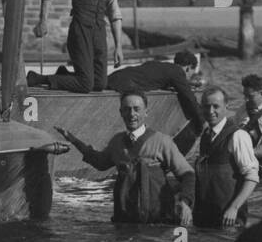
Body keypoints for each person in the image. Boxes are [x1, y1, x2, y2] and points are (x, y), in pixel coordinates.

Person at [55, 90, 195, 224]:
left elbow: (187, 174)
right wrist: (74, 141)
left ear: (146, 112)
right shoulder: (117, 142)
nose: (132, 114)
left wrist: (185, 202)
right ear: (121, 112)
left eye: (136, 109)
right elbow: (100, 162)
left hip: (159, 222)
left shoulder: (162, 141)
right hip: (125, 222)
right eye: (127, 109)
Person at [106, 49, 207, 150]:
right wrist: (202, 121)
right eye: (190, 75)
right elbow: (189, 98)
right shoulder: (178, 72)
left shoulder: (161, 66)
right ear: (188, 68)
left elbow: (154, 79)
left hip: (114, 77)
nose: (187, 78)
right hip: (123, 84)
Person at [192, 85, 259, 228]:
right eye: (206, 106)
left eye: (215, 106)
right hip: (205, 217)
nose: (210, 111)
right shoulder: (205, 135)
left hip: (229, 220)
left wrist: (234, 208)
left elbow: (252, 177)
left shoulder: (238, 136)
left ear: (226, 106)